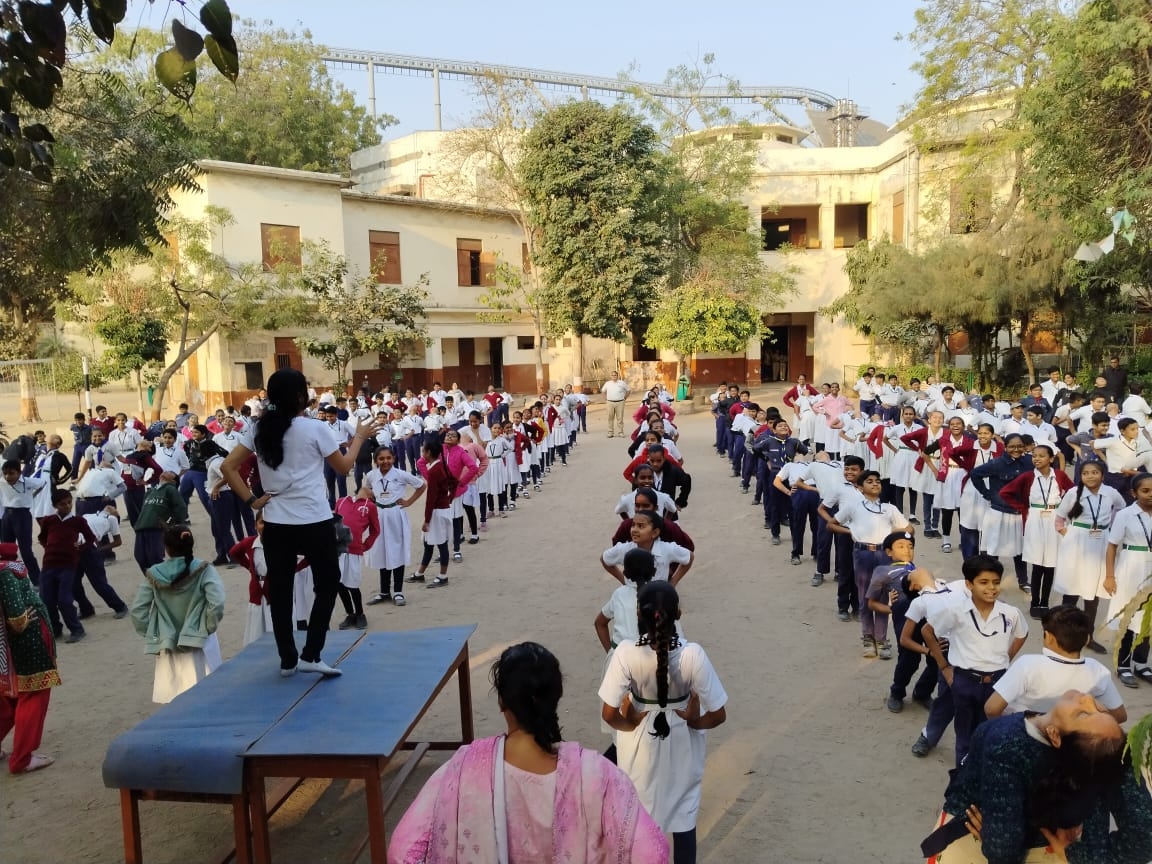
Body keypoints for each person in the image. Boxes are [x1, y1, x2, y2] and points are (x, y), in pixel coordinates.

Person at [389, 641, 668, 863]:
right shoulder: (598, 776)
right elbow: (653, 853)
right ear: (556, 696)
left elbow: (402, 852)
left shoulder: (462, 769)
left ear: (501, 702)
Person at [220, 368, 376, 678]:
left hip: (276, 522)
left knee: (280, 591)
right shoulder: (314, 428)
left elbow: (228, 467)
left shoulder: (258, 429)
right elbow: (344, 467)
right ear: (300, 397)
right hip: (314, 520)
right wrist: (359, 437)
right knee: (328, 582)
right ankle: (311, 653)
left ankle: (288, 659)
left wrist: (252, 500)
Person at [926, 691, 1152, 864]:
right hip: (1056, 850)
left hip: (975, 843)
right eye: (1101, 711)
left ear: (1055, 735)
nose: (1088, 698)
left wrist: (994, 840)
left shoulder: (1003, 741)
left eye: (1082, 713)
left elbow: (1003, 849)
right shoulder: (1113, 749)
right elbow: (1144, 836)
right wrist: (1079, 855)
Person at [599, 581, 727, 864]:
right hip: (682, 740)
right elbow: (718, 714)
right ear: (678, 613)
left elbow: (608, 714)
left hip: (638, 743)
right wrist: (695, 722)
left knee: (638, 816)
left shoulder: (626, 654)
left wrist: (629, 723)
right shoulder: (693, 654)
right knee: (684, 814)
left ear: (637, 614)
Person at [923, 554, 1029, 766]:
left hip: (997, 683)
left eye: (996, 582)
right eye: (983, 582)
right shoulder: (955, 611)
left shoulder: (1010, 613)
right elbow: (928, 631)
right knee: (964, 733)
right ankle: (962, 776)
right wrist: (944, 667)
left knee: (991, 731)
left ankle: (982, 775)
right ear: (969, 584)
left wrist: (1006, 657)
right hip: (964, 680)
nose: (991, 588)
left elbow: (1022, 633)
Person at [129, 526, 225, 704]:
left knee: (175, 699)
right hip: (200, 640)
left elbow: (138, 611)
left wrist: (154, 634)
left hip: (168, 642)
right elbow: (217, 602)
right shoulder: (204, 569)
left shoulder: (154, 573)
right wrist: (207, 627)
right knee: (208, 695)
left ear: (166, 548)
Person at [825, 471, 913, 658]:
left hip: (884, 554)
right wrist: (851, 532)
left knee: (882, 597)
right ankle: (867, 637)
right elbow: (831, 524)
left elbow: (908, 528)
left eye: (878, 482)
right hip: (863, 553)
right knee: (865, 596)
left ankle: (881, 639)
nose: (875, 484)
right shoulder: (853, 506)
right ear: (860, 487)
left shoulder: (889, 508)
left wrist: (895, 535)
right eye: (870, 481)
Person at [984, 606, 1126, 721]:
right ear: (1087, 639)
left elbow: (991, 708)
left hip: (1025, 734)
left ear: (1048, 637)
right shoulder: (1097, 669)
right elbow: (1120, 715)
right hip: (1069, 743)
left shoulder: (1027, 665)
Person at [1052, 461, 1126, 653]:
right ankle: (1063, 634)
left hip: (1100, 543)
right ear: (1081, 475)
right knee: (1071, 591)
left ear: (1103, 474)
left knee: (1093, 594)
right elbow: (1059, 519)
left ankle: (1088, 636)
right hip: (1076, 544)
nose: (1090, 476)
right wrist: (1068, 535)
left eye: (1095, 472)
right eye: (1086, 473)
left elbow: (1121, 509)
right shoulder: (1073, 493)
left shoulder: (1111, 493)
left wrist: (1110, 528)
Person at [0, 542, 59, 774]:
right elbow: (17, 616)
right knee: (33, 694)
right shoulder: (7, 570)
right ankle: (22, 759)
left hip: (4, 647)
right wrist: (22, 620)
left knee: (7, 699)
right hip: (25, 643)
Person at [1000, 444, 1073, 618]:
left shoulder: (1060, 476)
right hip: (1035, 518)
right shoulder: (1028, 476)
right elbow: (1005, 492)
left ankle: (1044, 602)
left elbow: (1073, 492)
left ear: (1051, 459)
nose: (1037, 459)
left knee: (1050, 563)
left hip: (1055, 518)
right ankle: (1035, 602)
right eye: (1034, 456)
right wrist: (1022, 508)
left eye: (1041, 456)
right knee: (1037, 562)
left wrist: (1066, 510)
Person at [1103, 472, 1152, 688]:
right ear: (1134, 493)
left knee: (1148, 617)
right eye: (1145, 491)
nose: (1150, 495)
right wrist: (1110, 576)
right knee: (1128, 615)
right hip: (1131, 567)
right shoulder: (1125, 514)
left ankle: (1141, 663)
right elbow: (1112, 546)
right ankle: (1123, 664)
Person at [970, 434, 1034, 590]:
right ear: (1005, 447)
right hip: (999, 512)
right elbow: (975, 474)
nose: (1016, 449)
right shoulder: (996, 463)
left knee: (1020, 550)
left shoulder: (1029, 462)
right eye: (1012, 446)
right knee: (993, 549)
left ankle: (1023, 581)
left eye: (1020, 446)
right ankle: (989, 579)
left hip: (1019, 513)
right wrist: (988, 494)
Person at [364, 446, 425, 607]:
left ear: (394, 458)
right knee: (382, 551)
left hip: (395, 515)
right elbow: (366, 488)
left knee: (396, 551)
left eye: (388, 458)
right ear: (375, 460)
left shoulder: (400, 474)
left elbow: (421, 485)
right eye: (381, 459)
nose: (385, 461)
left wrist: (409, 501)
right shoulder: (371, 475)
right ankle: (384, 591)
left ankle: (398, 591)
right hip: (378, 516)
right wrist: (371, 502)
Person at [409, 437, 456, 588]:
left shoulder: (434, 470)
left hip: (437, 512)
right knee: (429, 542)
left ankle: (443, 575)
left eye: (424, 450)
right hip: (442, 509)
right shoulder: (441, 465)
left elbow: (431, 498)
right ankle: (420, 573)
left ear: (428, 452)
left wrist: (427, 520)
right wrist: (450, 498)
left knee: (440, 544)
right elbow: (454, 482)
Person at [601, 511, 692, 586]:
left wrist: (673, 582)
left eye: (641, 526)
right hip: (634, 596)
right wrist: (624, 581)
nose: (634, 530)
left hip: (659, 596)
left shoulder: (666, 549)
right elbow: (604, 559)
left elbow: (689, 557)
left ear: (655, 532)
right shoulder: (624, 549)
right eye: (633, 525)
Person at [334, 485, 380, 630]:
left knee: (352, 584)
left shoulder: (370, 506)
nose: (369, 488)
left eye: (372, 491)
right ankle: (350, 614)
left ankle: (360, 613)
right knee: (338, 583)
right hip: (337, 551)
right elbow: (333, 521)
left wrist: (365, 545)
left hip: (354, 551)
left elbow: (375, 530)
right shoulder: (341, 501)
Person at [0, 460, 45, 587]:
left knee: (26, 550)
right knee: (7, 550)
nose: (8, 476)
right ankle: (11, 580)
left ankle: (37, 581)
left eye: (12, 473)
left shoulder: (28, 482)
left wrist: (32, 496)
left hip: (22, 516)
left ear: (19, 473)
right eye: (5, 474)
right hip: (7, 517)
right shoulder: (2, 482)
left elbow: (43, 482)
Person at [601, 370, 630, 439]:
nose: (614, 376)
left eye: (615, 375)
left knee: (620, 418)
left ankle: (620, 432)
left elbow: (628, 390)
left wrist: (624, 398)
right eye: (612, 375)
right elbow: (603, 391)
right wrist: (606, 399)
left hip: (620, 402)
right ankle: (610, 432)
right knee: (610, 418)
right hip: (610, 402)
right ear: (611, 376)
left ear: (617, 376)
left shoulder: (622, 383)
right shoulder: (608, 383)